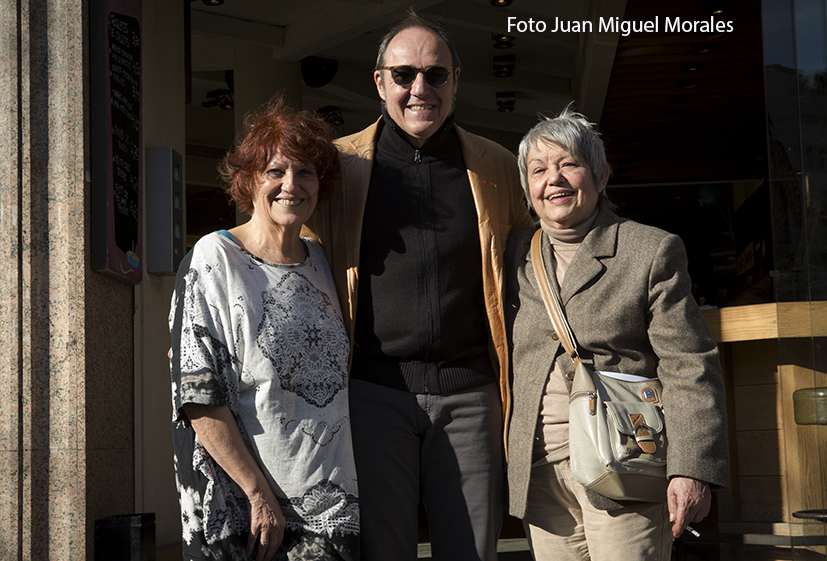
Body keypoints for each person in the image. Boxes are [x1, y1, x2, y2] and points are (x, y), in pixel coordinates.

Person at [302, 10, 533, 561]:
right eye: (404, 75)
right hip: (373, 394)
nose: (419, 89)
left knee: (473, 552)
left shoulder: (497, 168)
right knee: (385, 551)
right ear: (380, 82)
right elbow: (292, 259)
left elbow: (530, 269)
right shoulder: (338, 168)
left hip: (471, 396)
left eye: (436, 74)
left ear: (456, 81)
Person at [504, 106, 729, 561]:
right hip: (540, 471)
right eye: (539, 169)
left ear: (601, 175)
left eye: (569, 164)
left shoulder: (650, 249)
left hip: (625, 464)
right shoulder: (512, 256)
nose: (555, 179)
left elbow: (690, 364)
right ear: (528, 188)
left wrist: (690, 469)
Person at [168, 96, 359, 561]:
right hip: (248, 515)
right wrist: (257, 495)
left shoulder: (321, 263)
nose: (290, 184)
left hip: (331, 509)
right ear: (249, 180)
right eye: (275, 171)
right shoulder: (215, 259)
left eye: (305, 172)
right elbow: (197, 395)